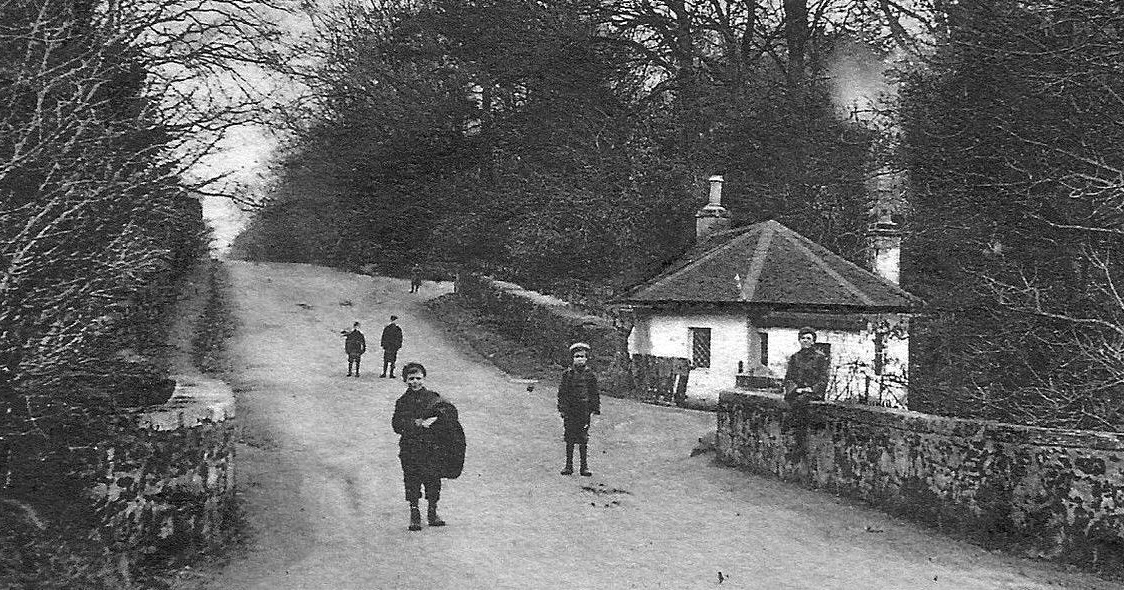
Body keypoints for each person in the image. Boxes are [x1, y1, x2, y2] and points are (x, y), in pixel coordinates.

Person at [392, 362, 458, 531]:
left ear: (424, 378)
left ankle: (432, 512)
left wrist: (434, 421)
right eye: (411, 378)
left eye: (418, 378)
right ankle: (414, 514)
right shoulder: (402, 402)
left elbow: (448, 415)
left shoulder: (433, 398)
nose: (415, 382)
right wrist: (415, 424)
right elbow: (396, 425)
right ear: (405, 380)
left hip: (431, 447)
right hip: (410, 447)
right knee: (412, 480)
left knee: (433, 479)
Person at [782, 326, 830, 460]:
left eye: (808, 338)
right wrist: (795, 388)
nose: (805, 341)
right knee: (797, 403)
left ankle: (790, 431)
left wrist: (812, 389)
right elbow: (788, 378)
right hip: (798, 391)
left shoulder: (820, 358)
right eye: (802, 338)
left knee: (799, 404)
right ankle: (796, 444)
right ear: (799, 340)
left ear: (813, 341)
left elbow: (823, 379)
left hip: (812, 393)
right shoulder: (795, 357)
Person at [557, 342, 600, 477]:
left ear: (586, 358)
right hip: (570, 410)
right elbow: (562, 393)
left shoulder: (590, 375)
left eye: (582, 356)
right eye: (577, 356)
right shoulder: (567, 374)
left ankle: (584, 467)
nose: (579, 359)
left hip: (584, 410)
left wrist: (595, 409)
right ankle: (568, 466)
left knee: (583, 438)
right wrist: (562, 409)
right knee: (569, 437)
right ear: (573, 358)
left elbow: (594, 393)